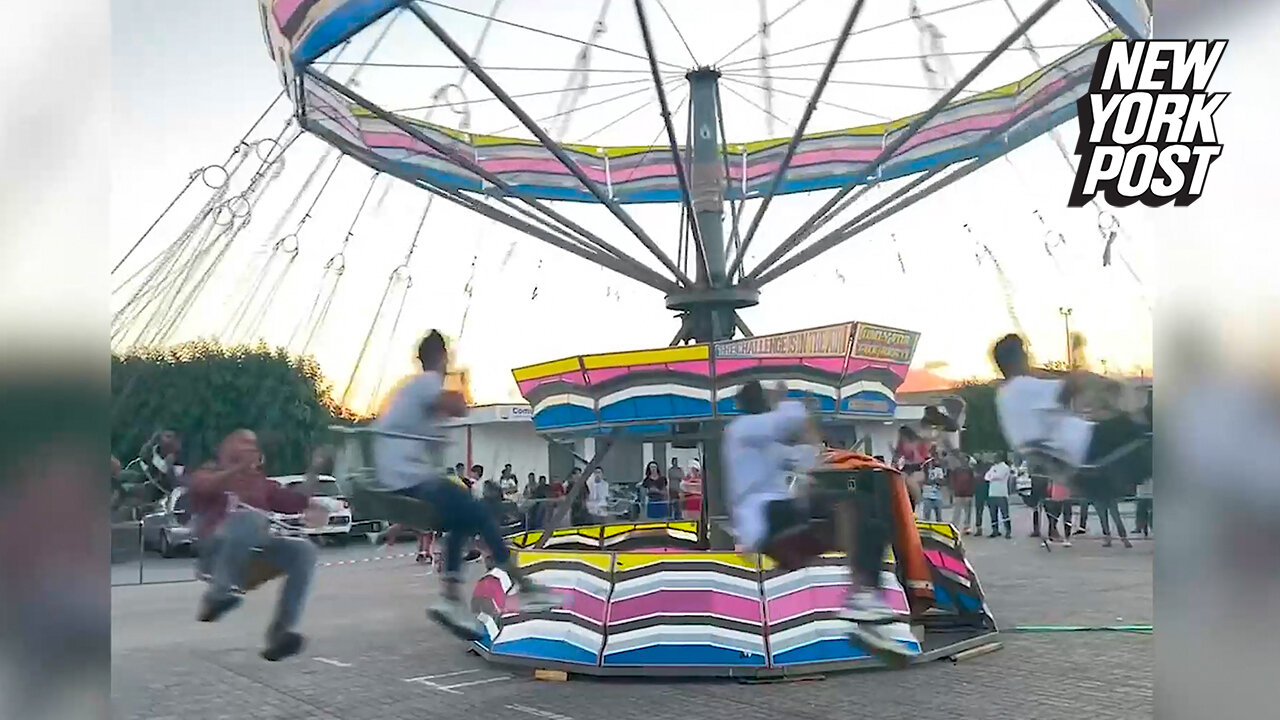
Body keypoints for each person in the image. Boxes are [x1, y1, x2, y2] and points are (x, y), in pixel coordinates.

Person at [372, 331, 557, 639]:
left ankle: (450, 598)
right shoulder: (427, 384)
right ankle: (524, 586)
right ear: (442, 357)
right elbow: (459, 406)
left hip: (401, 482)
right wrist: (462, 383)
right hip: (409, 482)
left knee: (462, 519)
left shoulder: (406, 393)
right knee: (480, 514)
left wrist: (398, 524)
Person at [722, 381, 917, 661]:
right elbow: (789, 420)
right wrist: (789, 403)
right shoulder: (740, 431)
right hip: (762, 519)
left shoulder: (769, 445)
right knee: (850, 506)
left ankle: (867, 617)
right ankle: (860, 598)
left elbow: (809, 454)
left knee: (871, 526)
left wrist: (809, 437)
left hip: (784, 530)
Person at [187, 429, 323, 661]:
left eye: (254, 444)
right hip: (215, 554)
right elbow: (203, 487)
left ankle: (279, 634)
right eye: (244, 442)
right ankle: (215, 598)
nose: (252, 447)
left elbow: (294, 501)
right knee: (249, 518)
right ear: (225, 449)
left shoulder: (260, 483)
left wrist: (315, 470)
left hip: (253, 557)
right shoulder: (209, 472)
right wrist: (238, 469)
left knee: (304, 551)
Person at [991, 333, 1151, 523]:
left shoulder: (1004, 399)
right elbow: (1074, 385)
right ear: (1020, 358)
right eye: (1026, 355)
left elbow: (1065, 402)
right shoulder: (1020, 387)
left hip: (1082, 472)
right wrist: (1080, 357)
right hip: (1095, 448)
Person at [983, 456, 1013, 538]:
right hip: (992, 493)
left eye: (996, 457)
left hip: (1002, 493)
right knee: (993, 514)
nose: (994, 459)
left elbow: (1000, 476)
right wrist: (992, 476)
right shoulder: (993, 467)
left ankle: (1008, 531)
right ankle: (995, 530)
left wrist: (992, 476)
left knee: (1005, 514)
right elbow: (986, 477)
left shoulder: (1005, 467)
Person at [949, 454, 977, 535]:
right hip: (958, 493)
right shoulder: (956, 470)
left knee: (967, 511)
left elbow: (972, 482)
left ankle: (967, 526)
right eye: (962, 460)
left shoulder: (970, 470)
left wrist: (971, 493)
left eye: (965, 460)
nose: (963, 461)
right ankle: (954, 526)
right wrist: (953, 490)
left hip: (968, 493)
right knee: (957, 511)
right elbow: (952, 481)